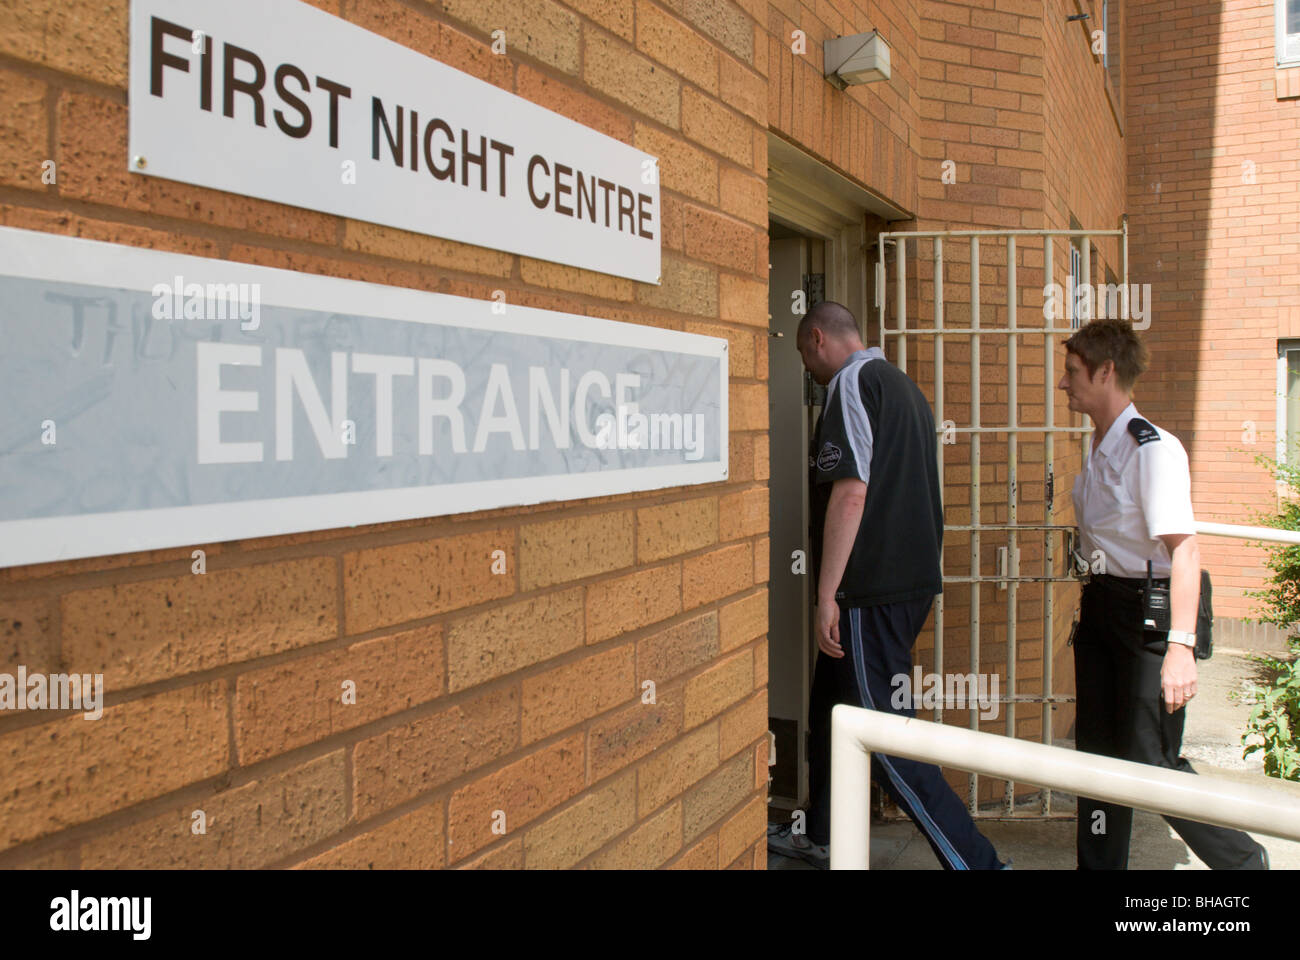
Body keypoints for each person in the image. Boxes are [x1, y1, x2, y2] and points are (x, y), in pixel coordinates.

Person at [767, 300, 1006, 870]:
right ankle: (822, 831)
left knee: (885, 738)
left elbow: (852, 492)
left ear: (819, 339)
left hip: (869, 592)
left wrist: (827, 595)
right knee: (832, 707)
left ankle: (980, 864)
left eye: (804, 355)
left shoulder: (852, 384)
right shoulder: (903, 388)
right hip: (908, 582)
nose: (807, 368)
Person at [1060, 317, 1268, 870]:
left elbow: (1187, 551)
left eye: (1073, 371)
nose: (1064, 383)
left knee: (1153, 760)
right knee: (1098, 758)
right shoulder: (1101, 442)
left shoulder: (1150, 449)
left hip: (1151, 616)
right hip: (1104, 606)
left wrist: (1180, 648)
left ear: (1107, 371)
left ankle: (1246, 864)